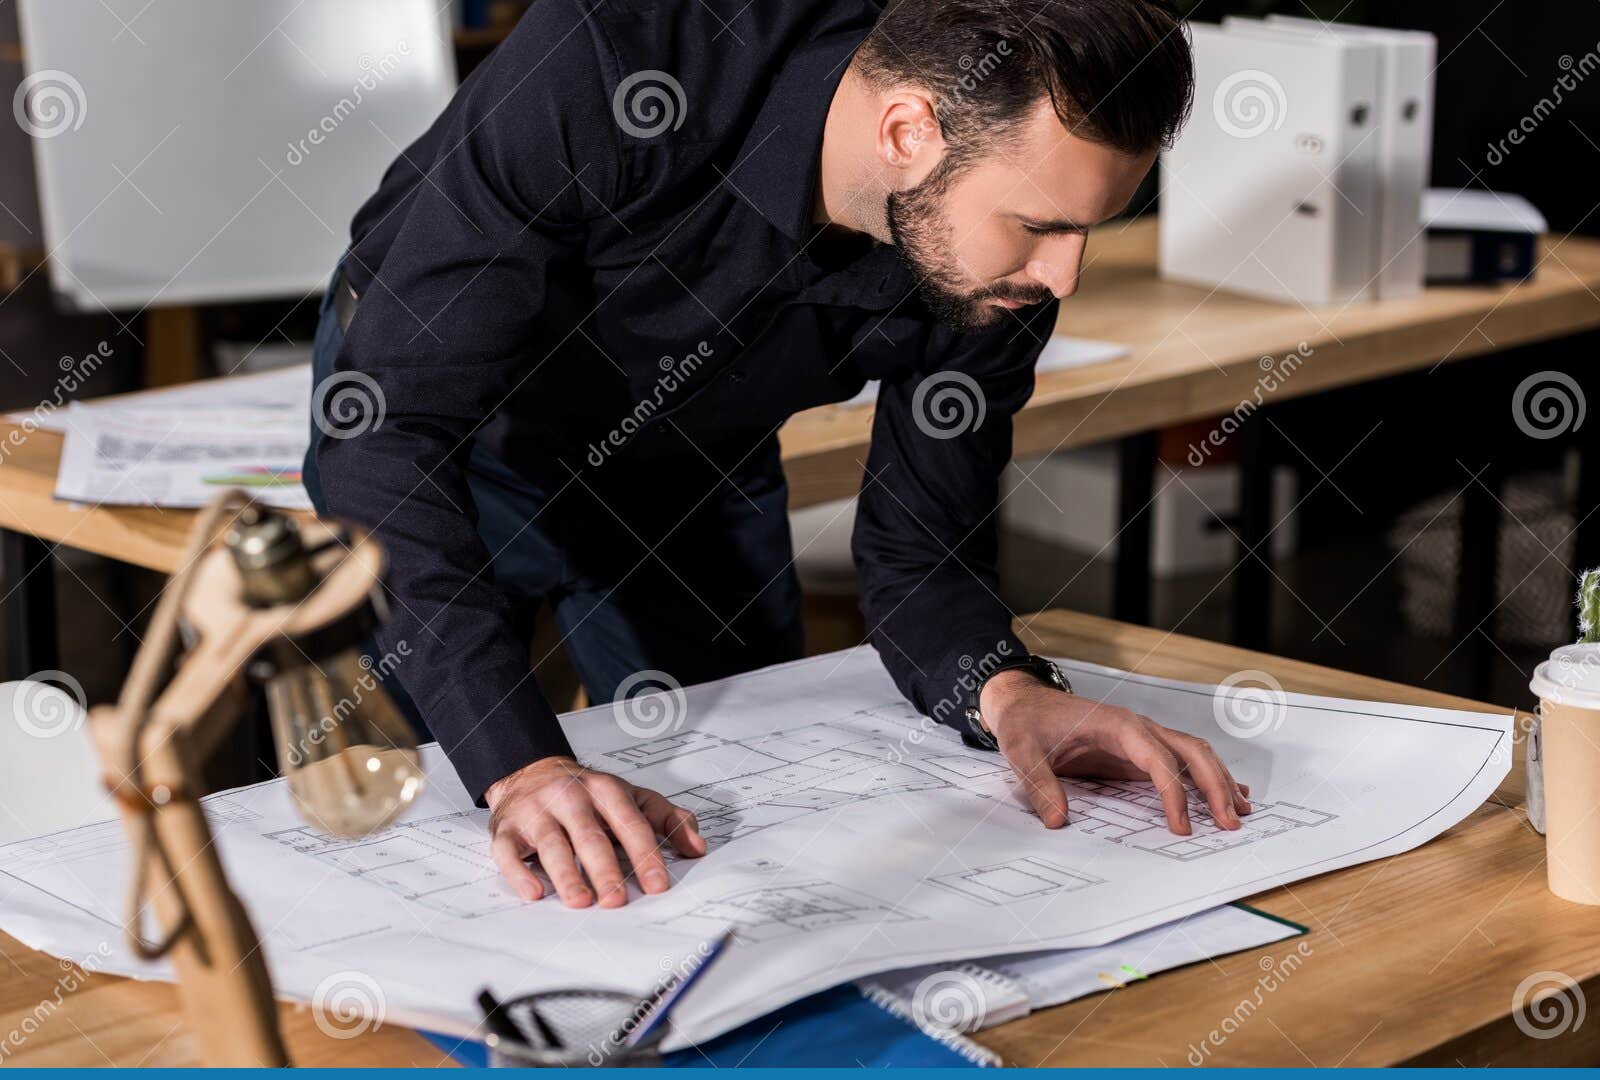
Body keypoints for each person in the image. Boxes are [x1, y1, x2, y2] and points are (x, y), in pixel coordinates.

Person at [307, 0, 1252, 910]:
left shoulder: (998, 278)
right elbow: (386, 434)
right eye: (1043, 225)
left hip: (694, 452)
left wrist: (1006, 691)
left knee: (731, 797)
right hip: (443, 426)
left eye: (1091, 228)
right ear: (905, 131)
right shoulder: (617, 57)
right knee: (442, 817)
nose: (1064, 277)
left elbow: (923, 550)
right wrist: (521, 765)